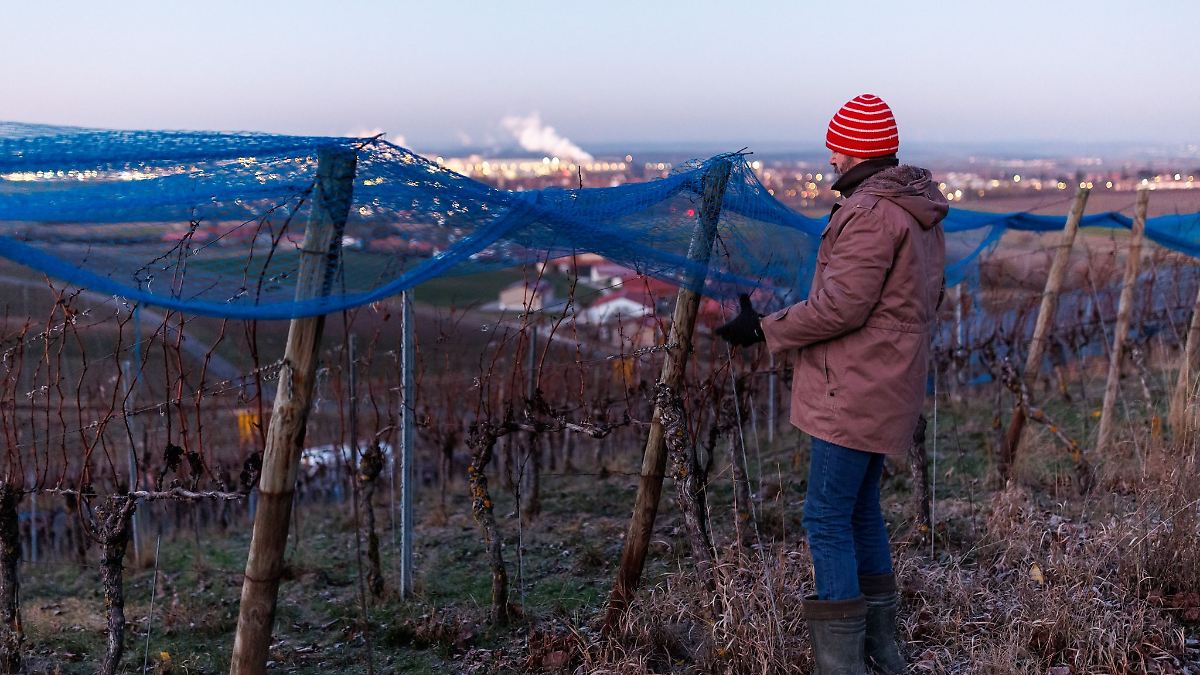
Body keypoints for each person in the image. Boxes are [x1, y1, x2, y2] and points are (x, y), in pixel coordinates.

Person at [717, 93, 946, 674]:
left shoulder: (871, 213)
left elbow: (842, 307)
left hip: (856, 387)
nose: (830, 160)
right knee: (860, 508)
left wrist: (764, 328)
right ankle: (883, 651)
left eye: (836, 149)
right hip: (889, 381)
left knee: (824, 515)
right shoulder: (918, 214)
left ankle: (842, 665)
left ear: (856, 150)